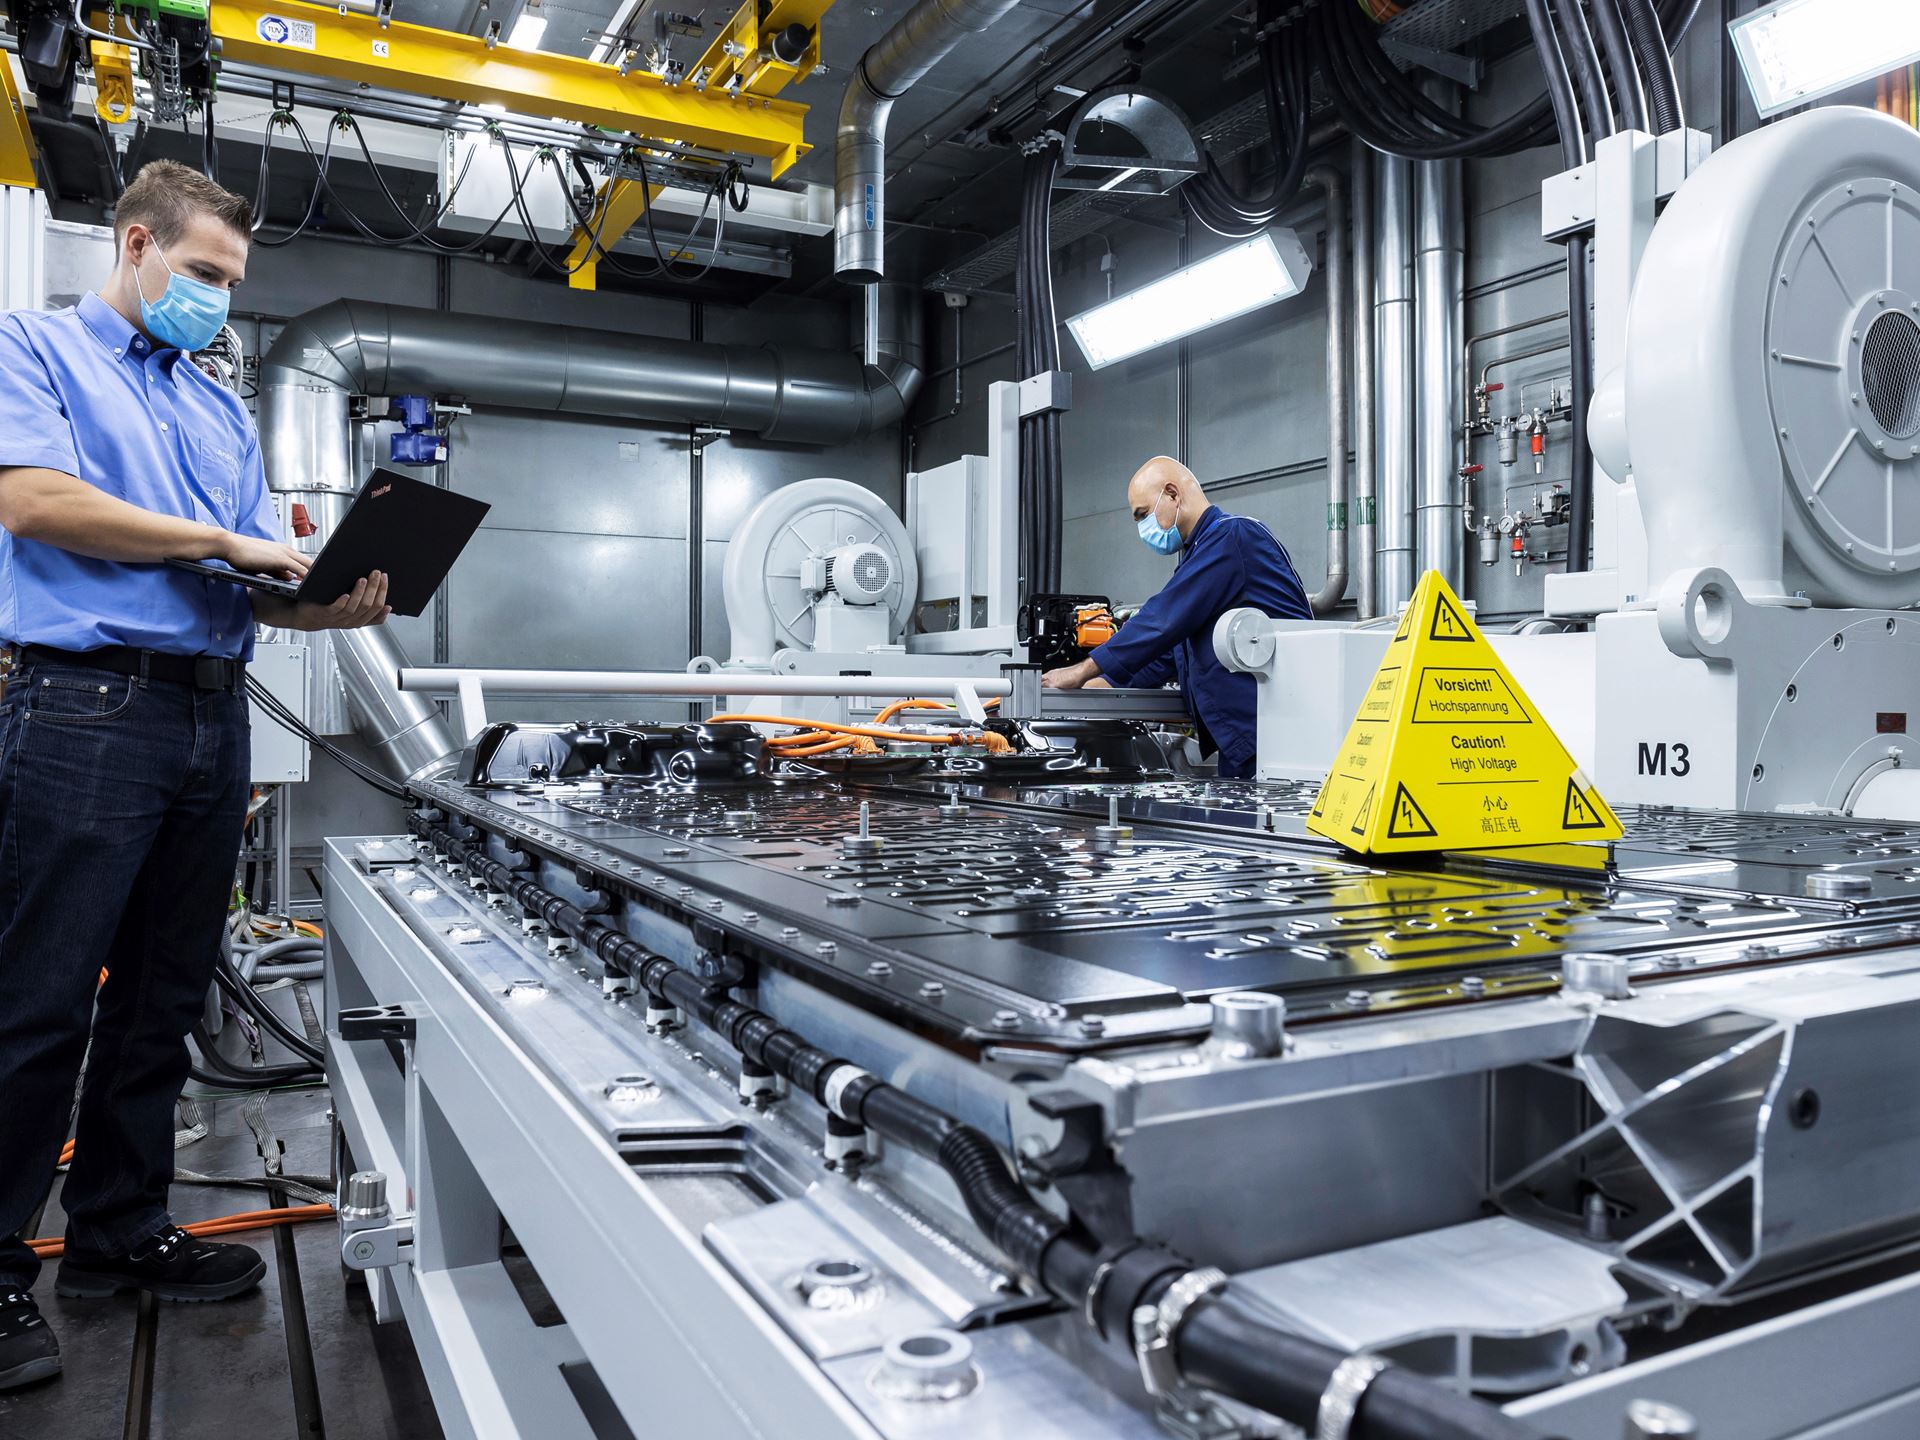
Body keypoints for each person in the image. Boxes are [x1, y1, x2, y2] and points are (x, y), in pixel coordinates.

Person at [0, 160, 392, 1391]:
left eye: (231, 282)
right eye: (204, 273)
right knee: (39, 999)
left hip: (209, 714)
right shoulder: (33, 351)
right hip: (85, 707)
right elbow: (35, 503)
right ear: (137, 245)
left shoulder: (216, 410)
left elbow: (249, 578)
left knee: (161, 995)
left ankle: (118, 1232)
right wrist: (222, 540)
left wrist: (328, 600)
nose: (218, 299)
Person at [1042, 455, 1310, 779]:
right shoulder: (1200, 554)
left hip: (1275, 735)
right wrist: (1097, 686)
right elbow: (1170, 654)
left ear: (1172, 494)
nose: (1143, 529)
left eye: (1143, 514)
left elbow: (1162, 621)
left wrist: (1081, 670)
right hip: (1247, 739)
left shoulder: (1233, 537)